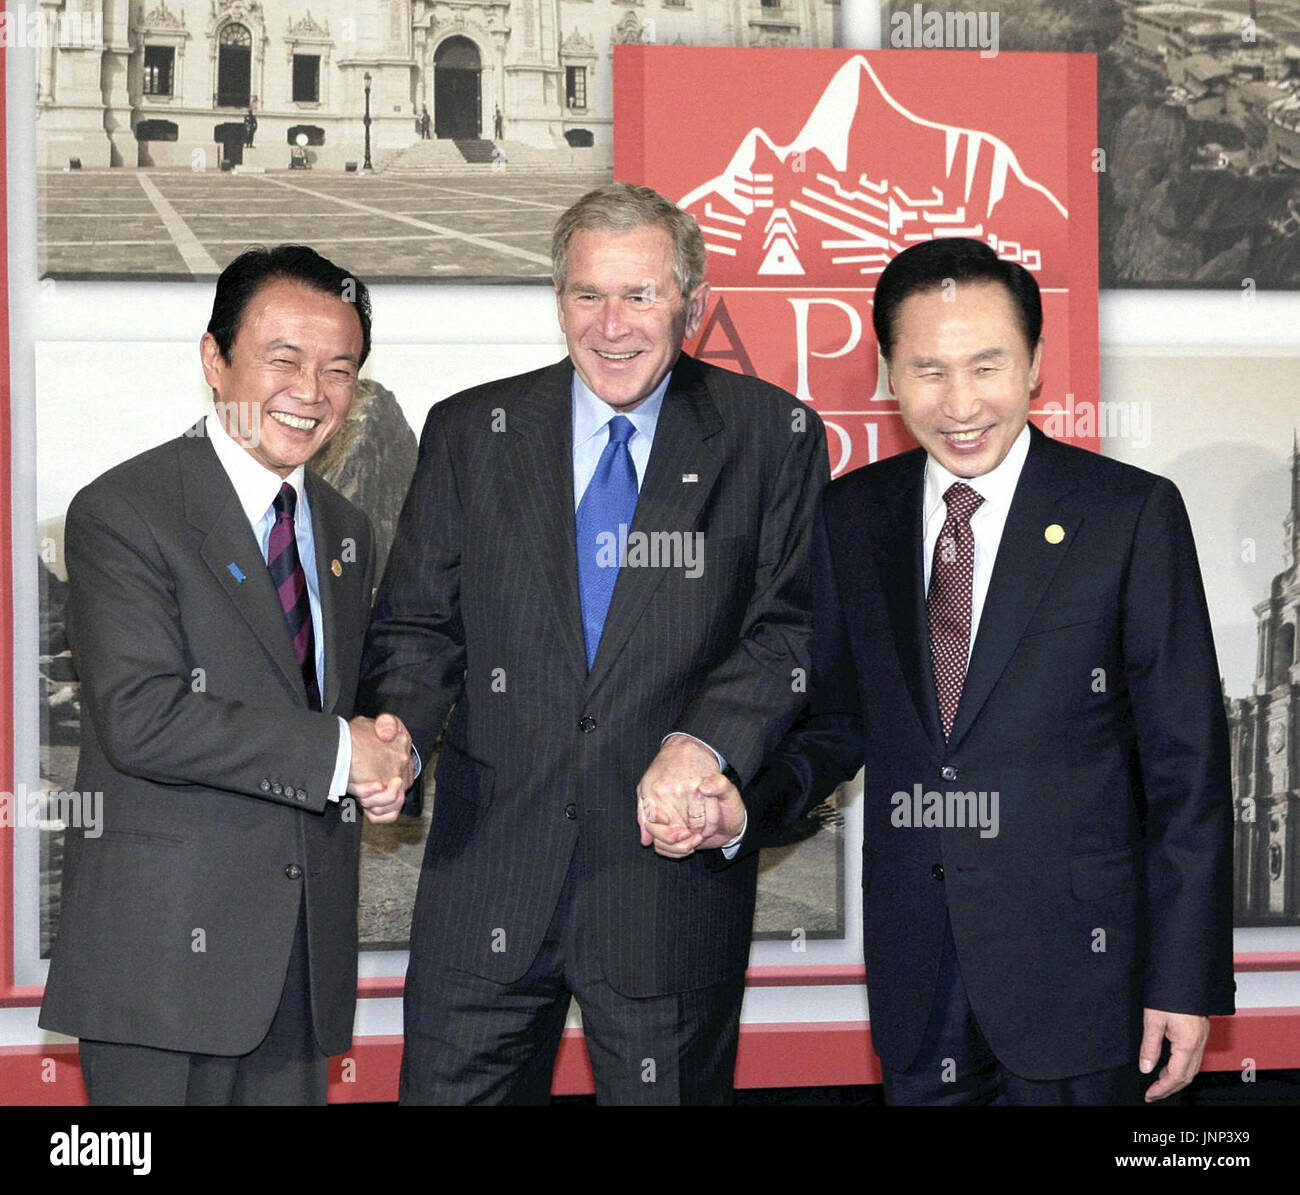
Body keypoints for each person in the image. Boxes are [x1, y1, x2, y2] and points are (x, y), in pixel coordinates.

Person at [718, 236, 1235, 1104]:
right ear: (887, 374)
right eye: (926, 370)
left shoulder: (1129, 514)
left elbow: (1187, 764)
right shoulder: (854, 514)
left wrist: (1182, 981)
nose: (959, 403)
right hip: (921, 977)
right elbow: (838, 720)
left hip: (1082, 980)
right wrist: (747, 802)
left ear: (1035, 365)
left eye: (986, 365)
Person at [359, 182, 828, 1104]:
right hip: (487, 880)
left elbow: (793, 626)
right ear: (559, 299)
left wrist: (701, 744)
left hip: (667, 885)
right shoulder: (470, 431)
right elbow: (419, 623)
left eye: (641, 295)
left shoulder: (772, 435)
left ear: (688, 301)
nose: (612, 325)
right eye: (587, 295)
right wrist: (400, 736)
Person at [39, 245, 415, 1105]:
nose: (312, 391)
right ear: (215, 360)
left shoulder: (344, 527)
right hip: (162, 971)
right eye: (283, 358)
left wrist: (390, 763)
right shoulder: (126, 510)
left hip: (300, 971)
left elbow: (343, 711)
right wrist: (336, 754)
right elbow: (141, 716)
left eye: (339, 368)